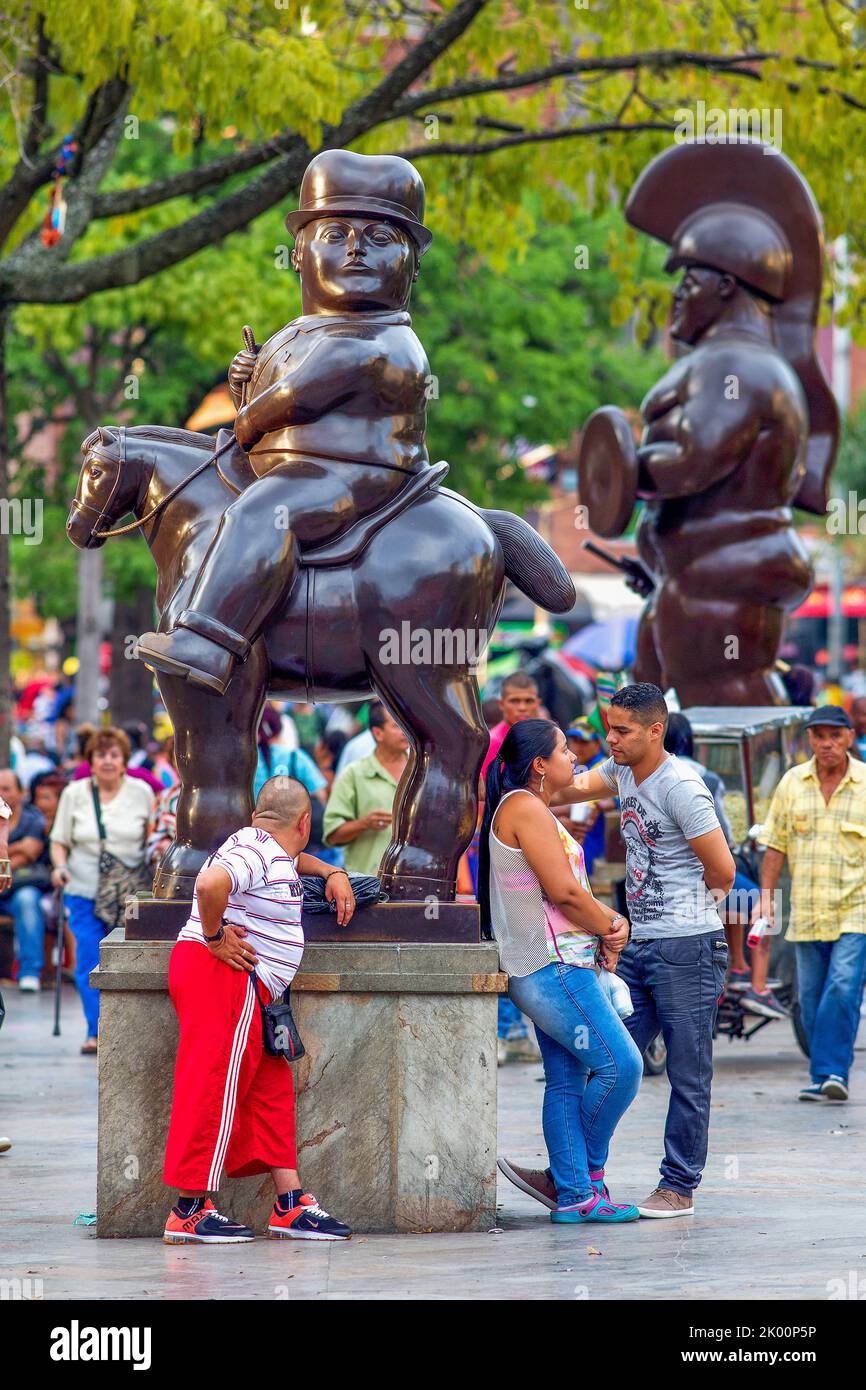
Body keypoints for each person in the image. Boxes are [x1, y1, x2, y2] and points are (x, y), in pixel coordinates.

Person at [553, 683, 735, 1218]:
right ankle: (578, 1176)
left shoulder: (683, 787)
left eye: (623, 731)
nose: (611, 739)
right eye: (608, 728)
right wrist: (526, 781)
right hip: (638, 945)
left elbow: (723, 872)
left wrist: (683, 912)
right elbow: (569, 791)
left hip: (688, 949)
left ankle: (678, 1186)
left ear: (656, 730)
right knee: (606, 1059)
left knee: (687, 1073)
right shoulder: (621, 770)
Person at [162, 775, 354, 1243]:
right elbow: (210, 883)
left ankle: (290, 1203)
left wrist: (330, 871)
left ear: (258, 816)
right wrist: (213, 936)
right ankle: (188, 1209)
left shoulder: (264, 845)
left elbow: (285, 858)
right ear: (306, 822)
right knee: (213, 1086)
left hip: (249, 990)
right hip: (223, 978)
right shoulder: (258, 848)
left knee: (269, 1092)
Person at [485, 719, 642, 1225]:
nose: (572, 758)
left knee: (567, 1081)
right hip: (553, 968)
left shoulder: (527, 806)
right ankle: (584, 1177)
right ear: (538, 765)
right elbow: (566, 893)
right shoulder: (525, 807)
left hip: (549, 966)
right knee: (623, 1066)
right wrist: (614, 924)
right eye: (564, 750)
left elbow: (563, 889)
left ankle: (573, 1195)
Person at [755, 705, 866, 1103]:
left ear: (849, 738)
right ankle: (824, 1074)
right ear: (810, 741)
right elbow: (774, 845)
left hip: (856, 911)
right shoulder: (792, 783)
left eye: (835, 735)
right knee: (811, 999)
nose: (827, 744)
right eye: (819, 736)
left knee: (842, 988)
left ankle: (832, 1072)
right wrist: (766, 899)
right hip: (807, 913)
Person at [49, 728, 155, 1054]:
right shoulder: (75, 793)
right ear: (91, 761)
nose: (108, 761)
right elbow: (59, 841)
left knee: (127, 960)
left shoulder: (142, 792)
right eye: (101, 755)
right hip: (83, 887)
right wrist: (60, 866)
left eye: (114, 755)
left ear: (124, 761)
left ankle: (127, 1030)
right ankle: (96, 1030)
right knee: (88, 958)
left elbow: (153, 837)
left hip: (130, 893)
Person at [322, 702, 408, 875]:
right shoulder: (354, 774)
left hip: (416, 883)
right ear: (378, 733)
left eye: (405, 724)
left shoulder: (421, 770)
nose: (404, 731)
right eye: (396, 726)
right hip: (368, 885)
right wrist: (365, 823)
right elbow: (332, 836)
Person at [0, 769, 47, 992]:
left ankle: (29, 972)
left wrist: (6, 853)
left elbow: (32, 850)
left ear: (20, 793)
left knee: (28, 900)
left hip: (18, 886)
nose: (1, 794)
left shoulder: (33, 818)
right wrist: (15, 850)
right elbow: (22, 851)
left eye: (6, 789)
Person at [553, 720, 614, 878]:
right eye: (574, 740)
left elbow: (579, 807)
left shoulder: (601, 766)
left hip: (592, 842)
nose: (579, 746)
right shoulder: (580, 765)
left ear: (596, 743)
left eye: (584, 741)